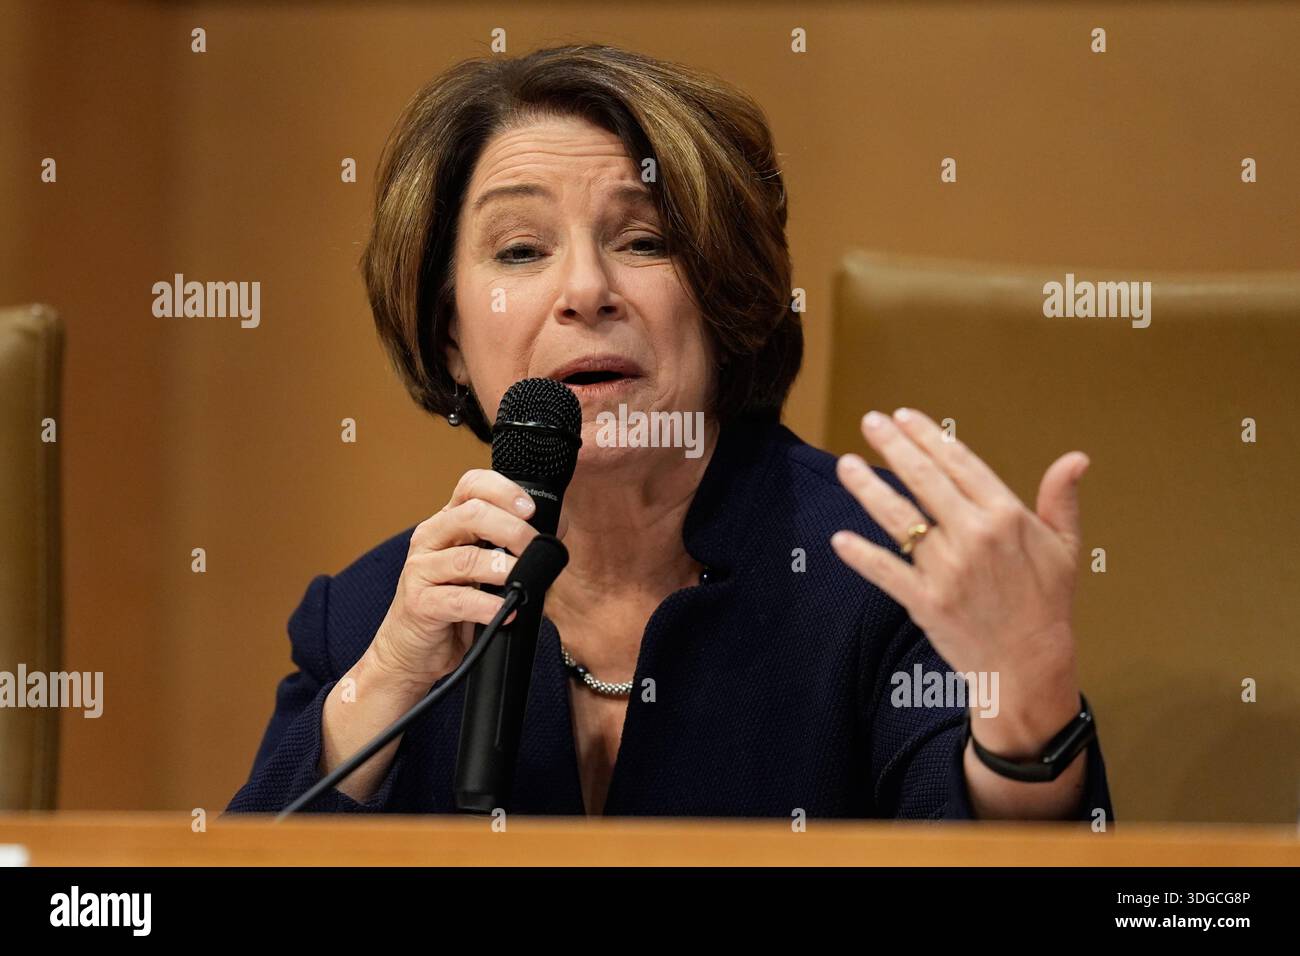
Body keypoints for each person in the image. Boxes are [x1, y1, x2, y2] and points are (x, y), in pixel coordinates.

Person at [227, 43, 1112, 821]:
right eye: (521, 250)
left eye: (643, 240)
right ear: (451, 337)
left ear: (725, 304)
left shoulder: (883, 581)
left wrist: (1028, 719)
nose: (585, 289)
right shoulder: (373, 618)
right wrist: (383, 686)